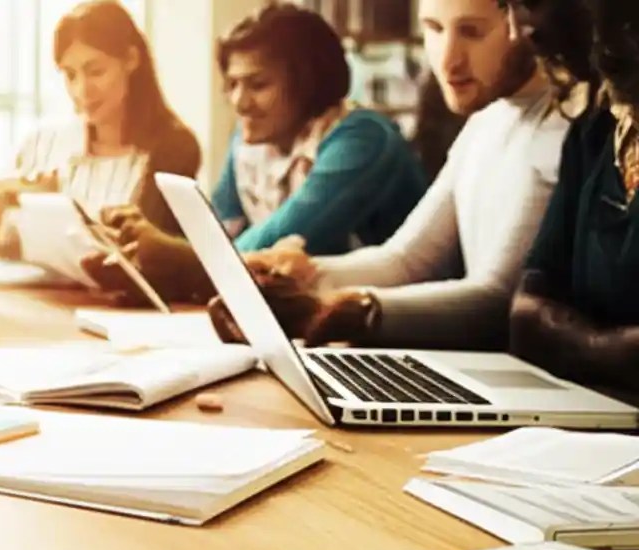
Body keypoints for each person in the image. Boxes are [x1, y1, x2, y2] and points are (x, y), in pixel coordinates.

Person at [209, 0, 571, 351]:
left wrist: (338, 310)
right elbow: (405, 260)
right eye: (433, 28)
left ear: (522, 21)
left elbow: (498, 302)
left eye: (472, 32)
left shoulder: (560, 127)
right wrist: (304, 277)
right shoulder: (486, 120)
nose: (447, 60)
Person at [82, 3, 428, 303]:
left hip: (390, 330)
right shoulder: (250, 138)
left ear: (308, 81)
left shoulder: (361, 138)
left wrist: (174, 256)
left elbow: (280, 241)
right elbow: (219, 233)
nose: (239, 103)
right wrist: (142, 250)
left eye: (258, 85)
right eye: (232, 84)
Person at [509, 0, 639, 396]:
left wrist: (575, 344)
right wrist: (608, 349)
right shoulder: (595, 132)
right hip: (586, 423)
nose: (520, 31)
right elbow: (524, 316)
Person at [0, 0, 200, 240]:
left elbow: (150, 258)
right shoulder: (40, 144)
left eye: (96, 71)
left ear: (131, 60)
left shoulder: (173, 150)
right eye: (70, 75)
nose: (82, 91)